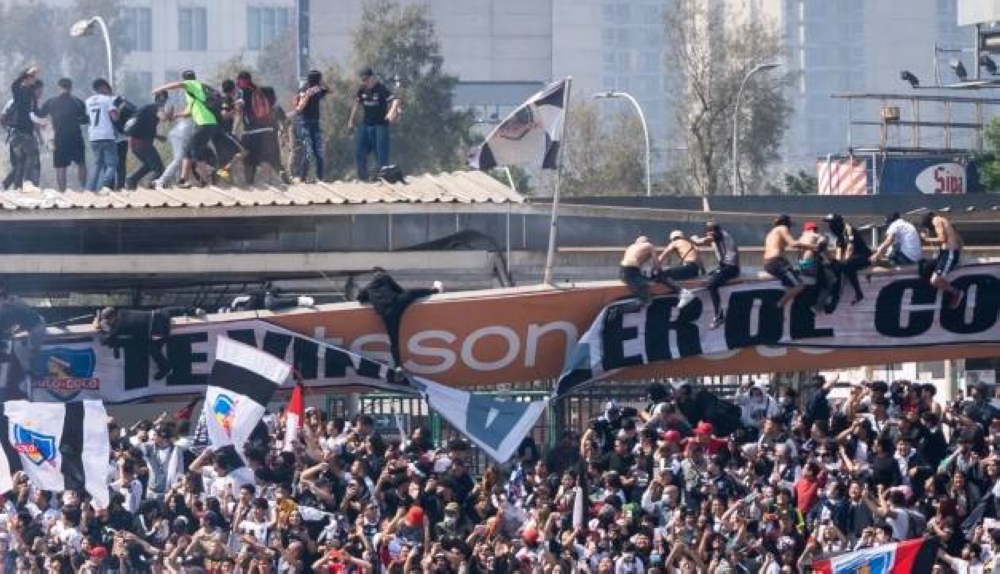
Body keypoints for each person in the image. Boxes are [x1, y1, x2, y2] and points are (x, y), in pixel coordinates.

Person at [356, 268, 442, 371]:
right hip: (396, 302)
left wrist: (372, 298)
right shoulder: (383, 276)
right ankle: (436, 290)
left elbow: (360, 298)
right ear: (381, 272)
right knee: (413, 292)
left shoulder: (368, 288)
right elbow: (398, 289)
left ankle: (398, 366)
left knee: (394, 340)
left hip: (386, 313)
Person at [152, 71, 219, 188]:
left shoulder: (193, 84)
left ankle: (205, 180)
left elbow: (178, 84)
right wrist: (175, 116)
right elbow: (188, 112)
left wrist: (158, 89)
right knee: (188, 151)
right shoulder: (195, 94)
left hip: (205, 124)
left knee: (195, 151)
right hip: (208, 124)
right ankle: (183, 180)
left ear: (186, 79)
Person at [93, 306, 190, 381]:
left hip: (157, 330)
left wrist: (99, 328)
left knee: (151, 348)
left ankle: (165, 368)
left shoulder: (118, 325)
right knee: (145, 340)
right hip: (160, 315)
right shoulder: (124, 312)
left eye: (108, 321)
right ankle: (190, 309)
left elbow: (104, 341)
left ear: (111, 318)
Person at [234, 72, 291, 185]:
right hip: (267, 131)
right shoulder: (262, 92)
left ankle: (249, 183)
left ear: (240, 81)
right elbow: (282, 117)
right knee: (270, 159)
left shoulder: (243, 92)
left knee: (249, 161)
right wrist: (284, 133)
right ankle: (277, 181)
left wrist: (235, 129)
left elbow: (239, 111)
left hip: (250, 132)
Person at [348, 67, 400, 181]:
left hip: (381, 125)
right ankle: (363, 178)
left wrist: (391, 112)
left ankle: (384, 177)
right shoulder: (362, 89)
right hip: (366, 125)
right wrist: (351, 121)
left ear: (372, 78)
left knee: (381, 153)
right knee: (359, 151)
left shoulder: (381, 89)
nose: (364, 82)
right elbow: (356, 104)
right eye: (362, 80)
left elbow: (395, 100)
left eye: (365, 79)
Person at [36, 77, 87, 191]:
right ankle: (83, 189)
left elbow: (40, 114)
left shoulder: (51, 101)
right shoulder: (78, 101)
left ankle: (62, 192)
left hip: (59, 137)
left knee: (60, 166)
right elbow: (85, 119)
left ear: (58, 87)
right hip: (76, 136)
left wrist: (34, 102)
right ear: (71, 87)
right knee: (81, 163)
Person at [687, 221, 740, 329]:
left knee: (711, 285)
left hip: (730, 268)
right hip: (726, 266)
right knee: (709, 275)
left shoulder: (718, 234)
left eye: (707, 232)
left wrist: (693, 239)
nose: (707, 234)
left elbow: (701, 242)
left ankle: (719, 316)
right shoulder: (722, 235)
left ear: (711, 231)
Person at [824, 213, 872, 305]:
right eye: (829, 224)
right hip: (853, 257)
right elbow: (838, 250)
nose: (829, 226)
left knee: (847, 264)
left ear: (838, 223)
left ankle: (857, 293)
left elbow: (850, 247)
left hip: (864, 256)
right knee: (838, 266)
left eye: (831, 223)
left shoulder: (848, 230)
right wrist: (837, 263)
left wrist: (844, 261)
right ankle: (833, 293)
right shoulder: (839, 235)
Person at [6, 66, 42, 189]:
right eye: (31, 77)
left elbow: (36, 114)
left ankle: (16, 186)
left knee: (22, 162)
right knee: (27, 159)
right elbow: (14, 85)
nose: (33, 79)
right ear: (26, 78)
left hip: (28, 132)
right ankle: (23, 186)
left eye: (34, 77)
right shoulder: (19, 91)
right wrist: (26, 72)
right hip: (17, 131)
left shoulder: (32, 96)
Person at [919, 211, 964, 309]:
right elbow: (960, 240)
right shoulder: (945, 221)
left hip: (949, 253)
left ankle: (956, 293)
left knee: (935, 280)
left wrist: (926, 239)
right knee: (926, 268)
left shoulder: (937, 220)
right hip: (946, 253)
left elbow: (942, 238)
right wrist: (959, 253)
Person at [84, 78, 121, 191]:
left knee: (97, 164)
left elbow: (88, 117)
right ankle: (102, 187)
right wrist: (118, 110)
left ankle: (90, 189)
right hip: (106, 135)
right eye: (106, 87)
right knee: (112, 164)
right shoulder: (107, 100)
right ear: (102, 87)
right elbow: (114, 118)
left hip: (93, 136)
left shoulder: (88, 101)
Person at [124, 92, 166, 190]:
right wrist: (169, 114)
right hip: (142, 144)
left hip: (134, 143)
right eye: (164, 100)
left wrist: (157, 136)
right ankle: (151, 187)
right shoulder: (156, 108)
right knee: (158, 168)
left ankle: (132, 179)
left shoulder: (147, 109)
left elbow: (145, 127)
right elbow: (163, 118)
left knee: (149, 165)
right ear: (162, 100)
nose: (164, 103)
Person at [763, 214, 805, 308]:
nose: (790, 228)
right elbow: (793, 244)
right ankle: (778, 305)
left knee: (789, 286)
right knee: (799, 286)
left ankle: (780, 305)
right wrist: (811, 246)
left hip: (769, 263)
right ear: (786, 223)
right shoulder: (782, 228)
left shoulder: (772, 232)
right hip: (776, 262)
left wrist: (790, 267)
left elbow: (781, 252)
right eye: (790, 225)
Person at [152, 96, 194, 189]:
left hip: (184, 134)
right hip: (180, 134)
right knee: (179, 159)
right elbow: (166, 117)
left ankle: (179, 181)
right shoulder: (191, 99)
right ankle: (160, 181)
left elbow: (168, 117)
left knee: (182, 159)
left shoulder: (179, 98)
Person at [294, 69, 328, 182]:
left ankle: (320, 178)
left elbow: (328, 89)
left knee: (319, 152)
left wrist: (321, 86)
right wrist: (308, 95)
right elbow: (299, 107)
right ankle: (302, 177)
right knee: (308, 151)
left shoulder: (317, 89)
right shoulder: (304, 90)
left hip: (315, 124)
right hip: (305, 123)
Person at [797, 221, 835, 313]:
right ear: (813, 229)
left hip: (802, 264)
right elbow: (823, 241)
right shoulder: (814, 235)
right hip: (811, 264)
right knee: (830, 280)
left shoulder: (801, 238)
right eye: (816, 229)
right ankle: (818, 307)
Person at [657, 230, 701, 304]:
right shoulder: (691, 244)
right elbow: (700, 261)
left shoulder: (675, 242)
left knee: (661, 275)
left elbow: (661, 257)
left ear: (672, 238)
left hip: (687, 267)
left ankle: (682, 292)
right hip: (694, 270)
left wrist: (655, 269)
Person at [619, 236, 658, 305]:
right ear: (646, 241)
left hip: (622, 271)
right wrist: (657, 270)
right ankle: (644, 301)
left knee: (641, 283)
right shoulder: (649, 245)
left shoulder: (631, 246)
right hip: (631, 271)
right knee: (646, 294)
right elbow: (656, 262)